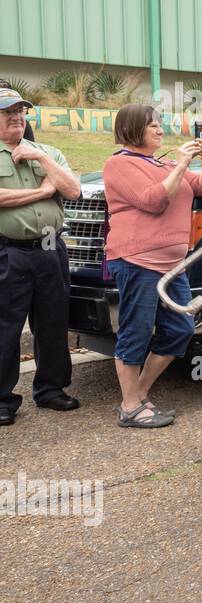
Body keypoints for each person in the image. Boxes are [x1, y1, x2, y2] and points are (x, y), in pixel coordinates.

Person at [101, 104, 202, 428]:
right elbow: (153, 200)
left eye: (159, 124)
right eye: (153, 125)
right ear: (133, 129)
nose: (160, 130)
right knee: (135, 331)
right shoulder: (118, 164)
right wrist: (181, 163)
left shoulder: (164, 163)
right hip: (137, 261)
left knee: (181, 328)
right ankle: (131, 406)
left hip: (172, 265)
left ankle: (136, 396)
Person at [0, 87, 82, 425]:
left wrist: (42, 160)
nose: (16, 116)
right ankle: (2, 400)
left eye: (20, 110)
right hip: (9, 250)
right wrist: (43, 190)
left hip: (50, 248)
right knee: (5, 328)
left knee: (52, 322)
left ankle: (50, 389)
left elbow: (73, 190)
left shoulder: (48, 152)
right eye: (8, 111)